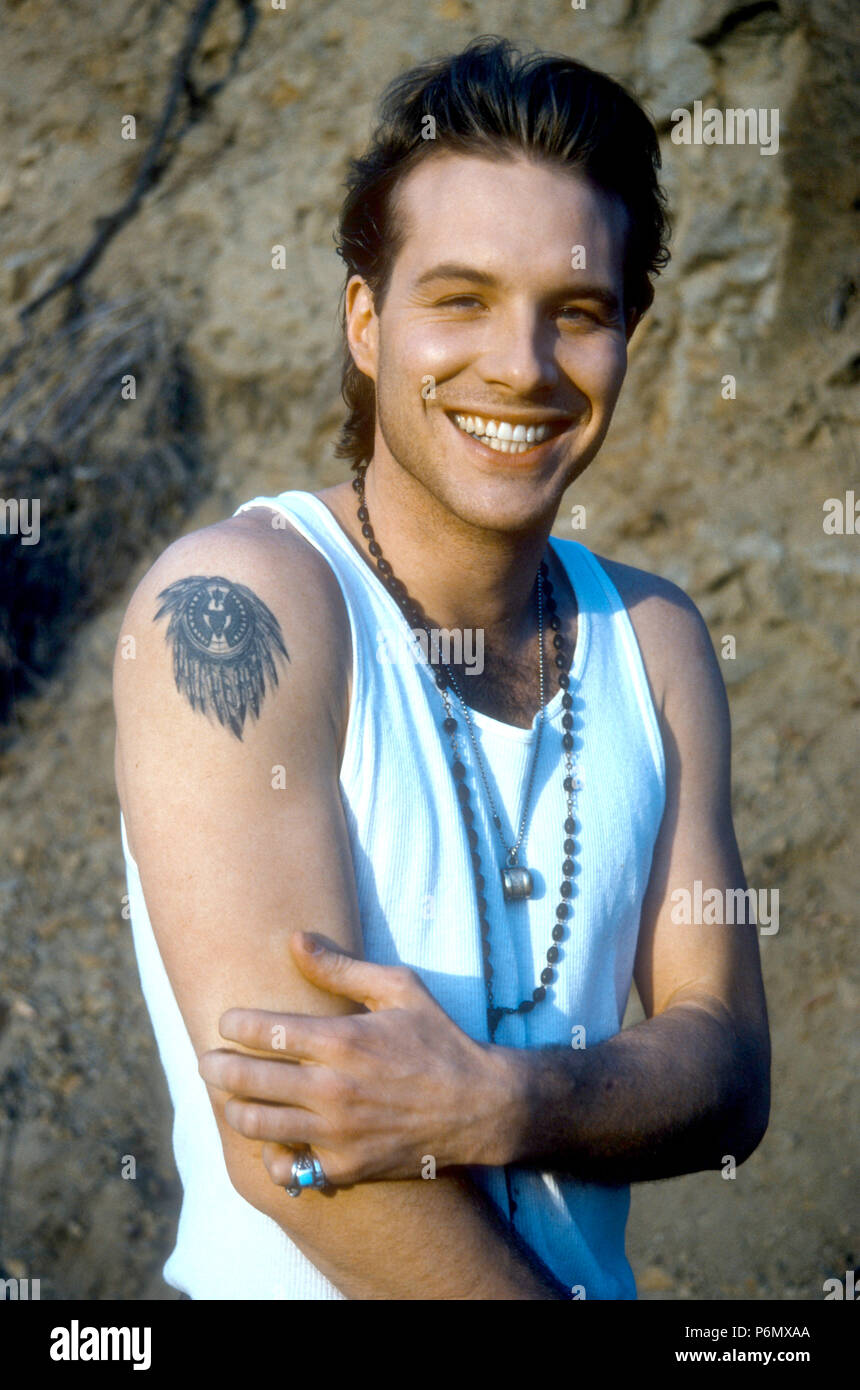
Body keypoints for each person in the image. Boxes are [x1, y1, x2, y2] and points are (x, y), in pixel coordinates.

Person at [113, 36, 770, 1300]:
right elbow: (298, 1145)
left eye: (574, 311)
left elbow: (729, 1071)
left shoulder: (657, 641)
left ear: (627, 333)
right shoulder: (244, 604)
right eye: (459, 298)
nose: (520, 365)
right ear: (367, 323)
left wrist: (494, 1101)